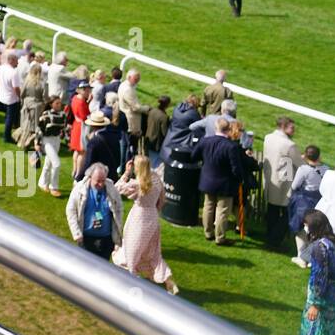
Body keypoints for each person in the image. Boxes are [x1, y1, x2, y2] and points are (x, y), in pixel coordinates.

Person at [112, 156, 178, 294]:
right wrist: (155, 210)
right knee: (153, 253)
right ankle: (168, 280)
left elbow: (116, 189)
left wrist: (126, 173)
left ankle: (131, 282)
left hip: (139, 219)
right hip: (153, 217)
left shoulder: (137, 184)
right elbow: (162, 200)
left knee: (132, 250)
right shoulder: (157, 180)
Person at [192, 117, 247, 245]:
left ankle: (208, 233)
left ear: (216, 128)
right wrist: (239, 179)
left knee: (208, 206)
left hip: (208, 180)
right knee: (222, 211)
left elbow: (194, 156)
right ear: (228, 129)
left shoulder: (205, 141)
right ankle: (220, 237)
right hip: (225, 184)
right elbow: (236, 168)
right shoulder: (231, 146)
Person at [66, 163, 124, 260]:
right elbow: (71, 211)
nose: (101, 184)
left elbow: (119, 208)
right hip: (86, 239)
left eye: (103, 181)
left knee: (102, 270)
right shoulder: (79, 189)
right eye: (97, 181)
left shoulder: (111, 188)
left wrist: (117, 230)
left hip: (106, 239)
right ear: (90, 177)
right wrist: (76, 233)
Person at [263, 117, 302, 248]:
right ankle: (275, 240)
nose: (294, 130)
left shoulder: (268, 137)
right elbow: (300, 164)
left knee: (272, 210)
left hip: (270, 178)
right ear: (284, 127)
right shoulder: (289, 145)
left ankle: (269, 237)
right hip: (283, 182)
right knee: (287, 214)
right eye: (292, 127)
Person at [299, 210, 335, 335]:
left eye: (306, 224)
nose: (305, 227)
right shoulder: (333, 243)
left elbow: (319, 277)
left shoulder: (319, 248)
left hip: (322, 303)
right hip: (334, 301)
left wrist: (315, 304)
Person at [289, 147, 328, 266]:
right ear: (319, 156)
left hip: (305, 202)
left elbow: (295, 185)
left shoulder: (303, 169)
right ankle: (311, 258)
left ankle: (301, 257)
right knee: (316, 230)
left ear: (305, 156)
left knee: (300, 229)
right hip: (320, 201)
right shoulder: (326, 169)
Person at [77, 108, 123, 181]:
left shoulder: (94, 141)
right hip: (112, 176)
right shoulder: (114, 136)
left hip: (98, 177)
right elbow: (118, 157)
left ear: (92, 125)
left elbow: (88, 162)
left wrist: (79, 178)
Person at [37, 95, 68, 198]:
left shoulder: (63, 114)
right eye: (57, 103)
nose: (59, 105)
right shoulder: (46, 115)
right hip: (47, 141)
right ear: (51, 104)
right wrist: (37, 143)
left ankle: (42, 183)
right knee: (56, 163)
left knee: (48, 162)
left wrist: (66, 138)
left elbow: (64, 129)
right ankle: (53, 187)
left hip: (57, 140)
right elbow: (39, 129)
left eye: (60, 103)